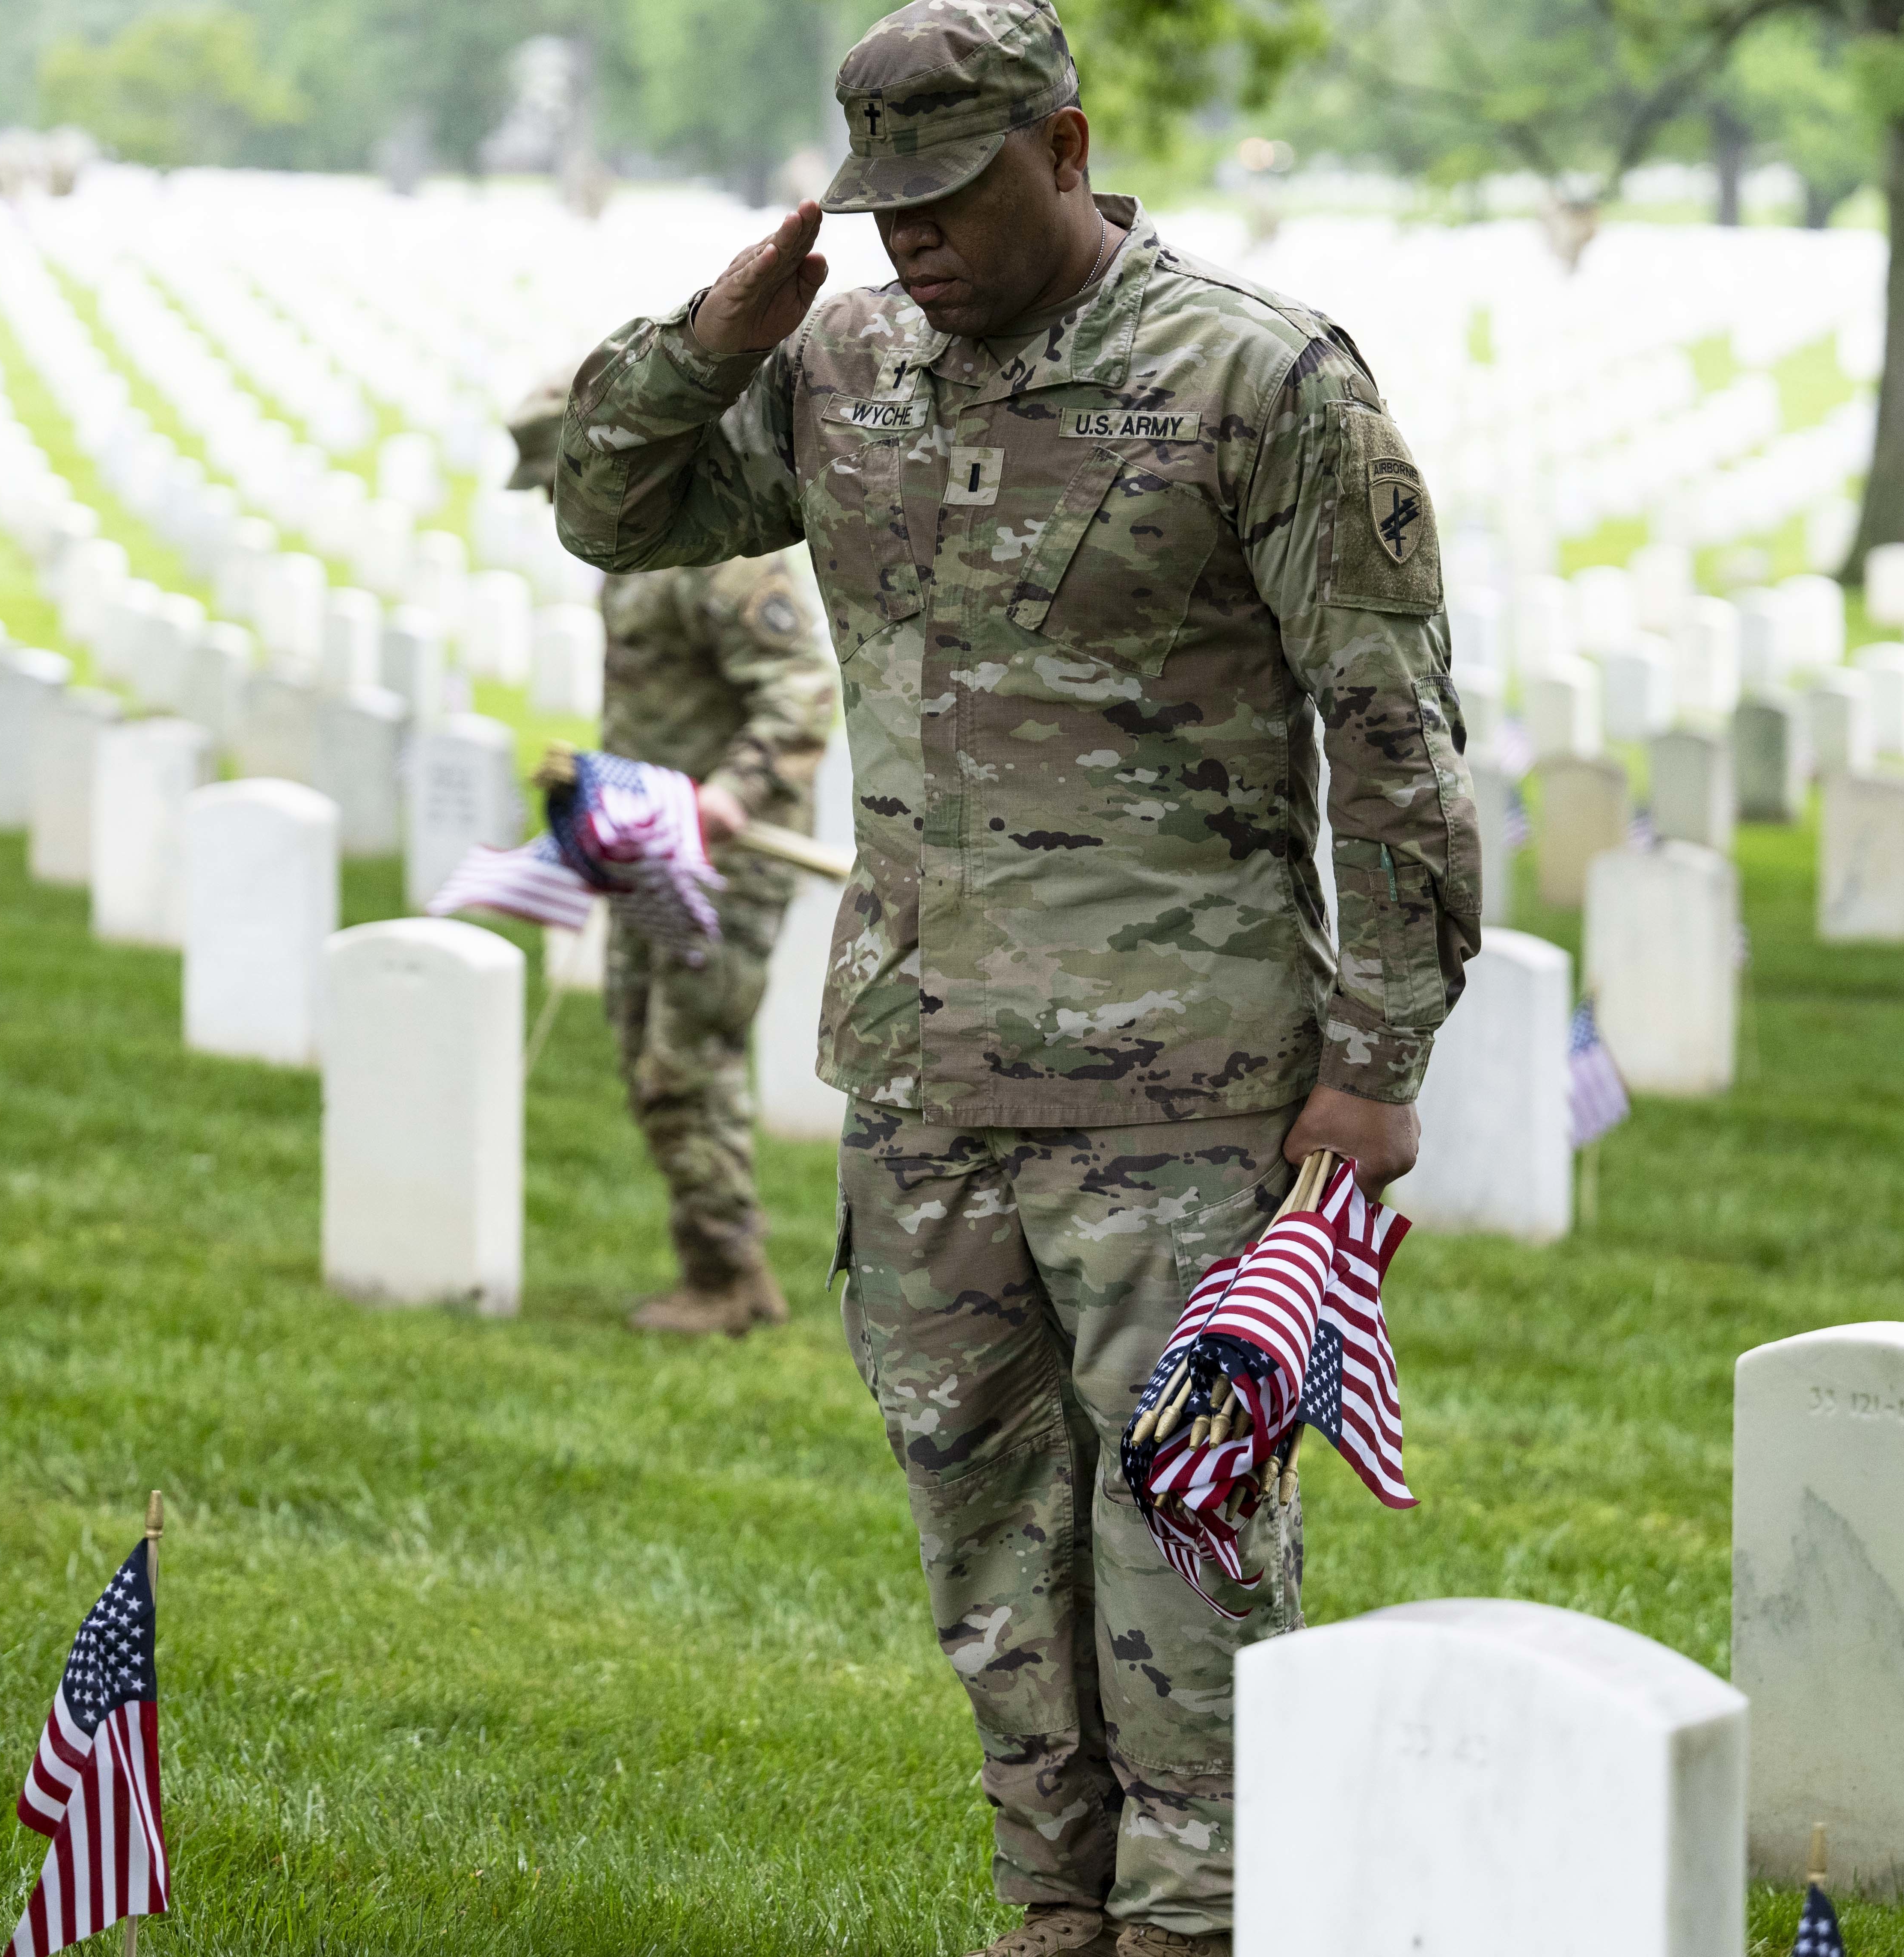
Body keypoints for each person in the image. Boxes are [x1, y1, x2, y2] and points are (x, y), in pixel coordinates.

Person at [552, 3, 1480, 1951]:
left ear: (1064, 150)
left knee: (1188, 1542)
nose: (910, 238)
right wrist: (707, 339)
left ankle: (1196, 1921)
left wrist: (1381, 1054)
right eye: (878, 203)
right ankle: (1053, 1908)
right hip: (921, 1068)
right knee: (983, 1543)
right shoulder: (842, 365)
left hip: (1185, 1088)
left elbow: (1393, 733)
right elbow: (607, 512)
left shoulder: (1257, 379)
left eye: (950, 193)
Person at [507, 383, 838, 1335]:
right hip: (649, 845)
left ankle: (732, 1278)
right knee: (639, 1049)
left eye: (560, 483)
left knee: (684, 1064)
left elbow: (802, 688)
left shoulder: (722, 554)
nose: (553, 506)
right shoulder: (635, 548)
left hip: (724, 858)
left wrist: (733, 791)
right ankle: (716, 1263)